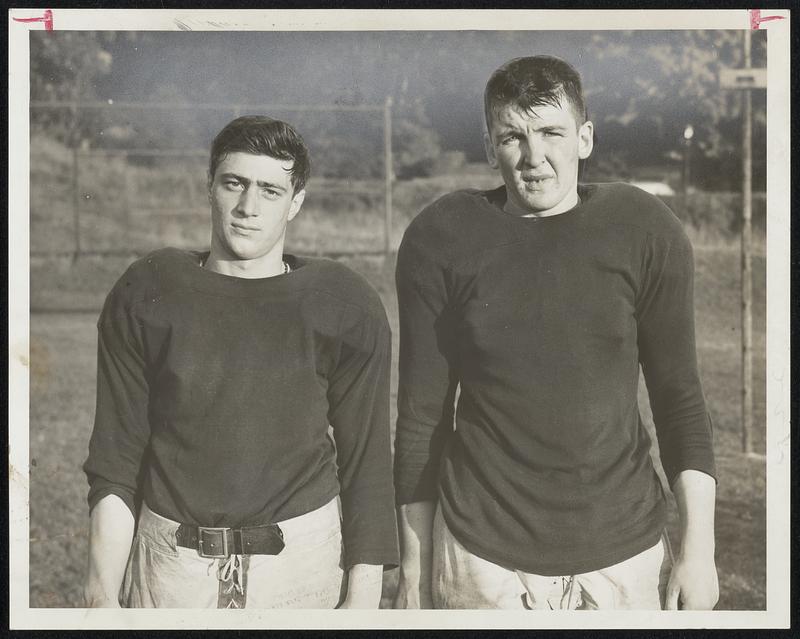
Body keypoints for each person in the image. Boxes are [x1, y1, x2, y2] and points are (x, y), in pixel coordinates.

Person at [393, 55, 718, 610]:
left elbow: (679, 400)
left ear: (585, 138)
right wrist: (413, 572)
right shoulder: (442, 237)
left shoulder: (643, 229)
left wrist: (698, 551)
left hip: (624, 549)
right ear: (490, 145)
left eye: (551, 132)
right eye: (513, 136)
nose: (534, 156)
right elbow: (422, 419)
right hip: (481, 554)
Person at [83, 115, 398, 609]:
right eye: (235, 183)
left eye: (271, 191)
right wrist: (100, 593)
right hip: (172, 566)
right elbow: (116, 461)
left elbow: (367, 464)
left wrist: (362, 602)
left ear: (296, 203)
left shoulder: (342, 303)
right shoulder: (147, 290)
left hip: (302, 566)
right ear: (210, 186)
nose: (248, 207)